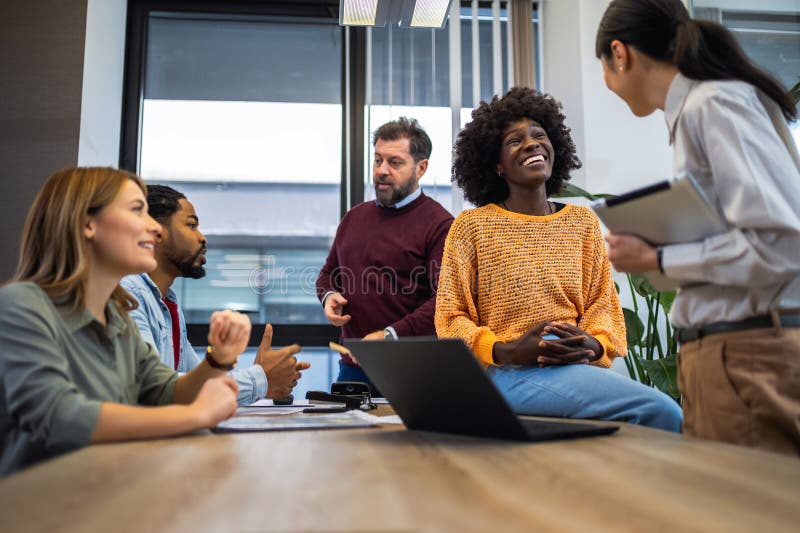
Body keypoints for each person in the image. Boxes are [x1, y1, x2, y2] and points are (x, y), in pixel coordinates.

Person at [596, 0, 800, 454]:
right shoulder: (705, 106)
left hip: (746, 354)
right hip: (732, 353)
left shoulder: (714, 104)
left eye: (604, 69)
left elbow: (782, 244)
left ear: (620, 53)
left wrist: (660, 258)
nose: (607, 83)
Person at [435, 87, 682, 431]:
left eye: (539, 135)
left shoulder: (581, 223)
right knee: (663, 412)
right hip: (505, 370)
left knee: (656, 413)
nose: (532, 144)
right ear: (496, 163)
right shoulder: (472, 226)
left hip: (571, 366)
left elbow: (602, 306)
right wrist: (505, 350)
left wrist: (592, 344)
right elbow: (450, 317)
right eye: (514, 140)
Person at [0, 167, 249, 475]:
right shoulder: (22, 305)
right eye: (137, 211)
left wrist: (218, 359)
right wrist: (197, 416)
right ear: (88, 224)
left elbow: (166, 391)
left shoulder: (118, 319)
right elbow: (58, 416)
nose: (155, 229)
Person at [120, 185, 308, 405]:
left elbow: (197, 384)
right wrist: (261, 378)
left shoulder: (167, 303)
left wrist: (263, 377)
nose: (202, 238)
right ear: (155, 231)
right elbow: (155, 389)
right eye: (191, 225)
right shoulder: (128, 294)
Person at [316, 117, 454, 389]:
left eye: (395, 162)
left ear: (421, 167)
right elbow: (328, 274)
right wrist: (329, 296)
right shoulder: (354, 217)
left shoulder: (440, 224)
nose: (382, 170)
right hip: (354, 370)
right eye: (378, 160)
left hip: (413, 373)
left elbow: (445, 301)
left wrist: (390, 335)